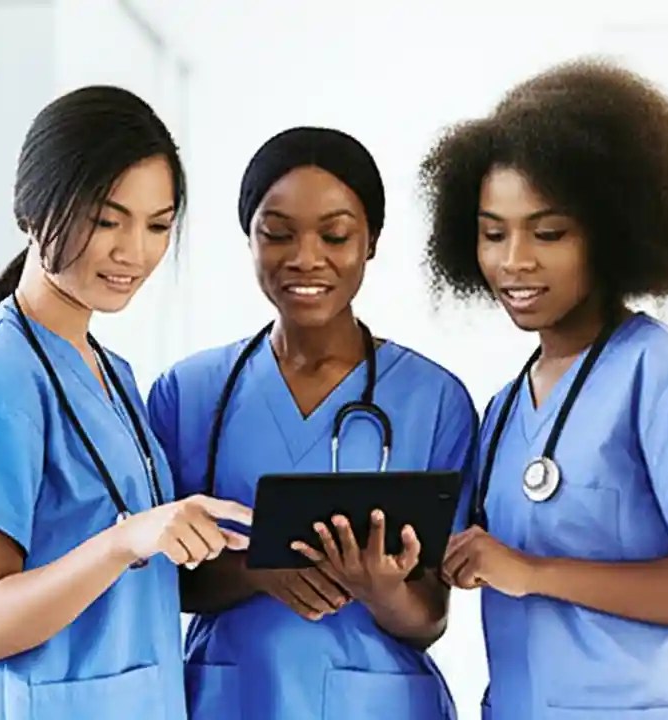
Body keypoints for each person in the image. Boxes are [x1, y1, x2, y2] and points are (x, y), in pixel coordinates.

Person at [420, 59, 668, 719]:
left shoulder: (662, 371)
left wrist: (531, 572)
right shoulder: (505, 409)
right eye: (493, 233)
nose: (515, 259)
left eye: (549, 233)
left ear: (610, 233)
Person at [0, 85, 252, 720]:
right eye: (107, 220)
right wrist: (128, 540)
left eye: (158, 225)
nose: (135, 252)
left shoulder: (111, 374)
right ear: (34, 209)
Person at [146, 126, 476, 720]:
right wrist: (258, 570)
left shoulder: (434, 399)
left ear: (370, 240)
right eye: (276, 234)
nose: (305, 258)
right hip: (230, 698)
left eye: (336, 234)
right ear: (249, 239)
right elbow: (156, 585)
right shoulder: (187, 394)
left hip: (379, 704)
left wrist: (382, 588)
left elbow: (431, 617)